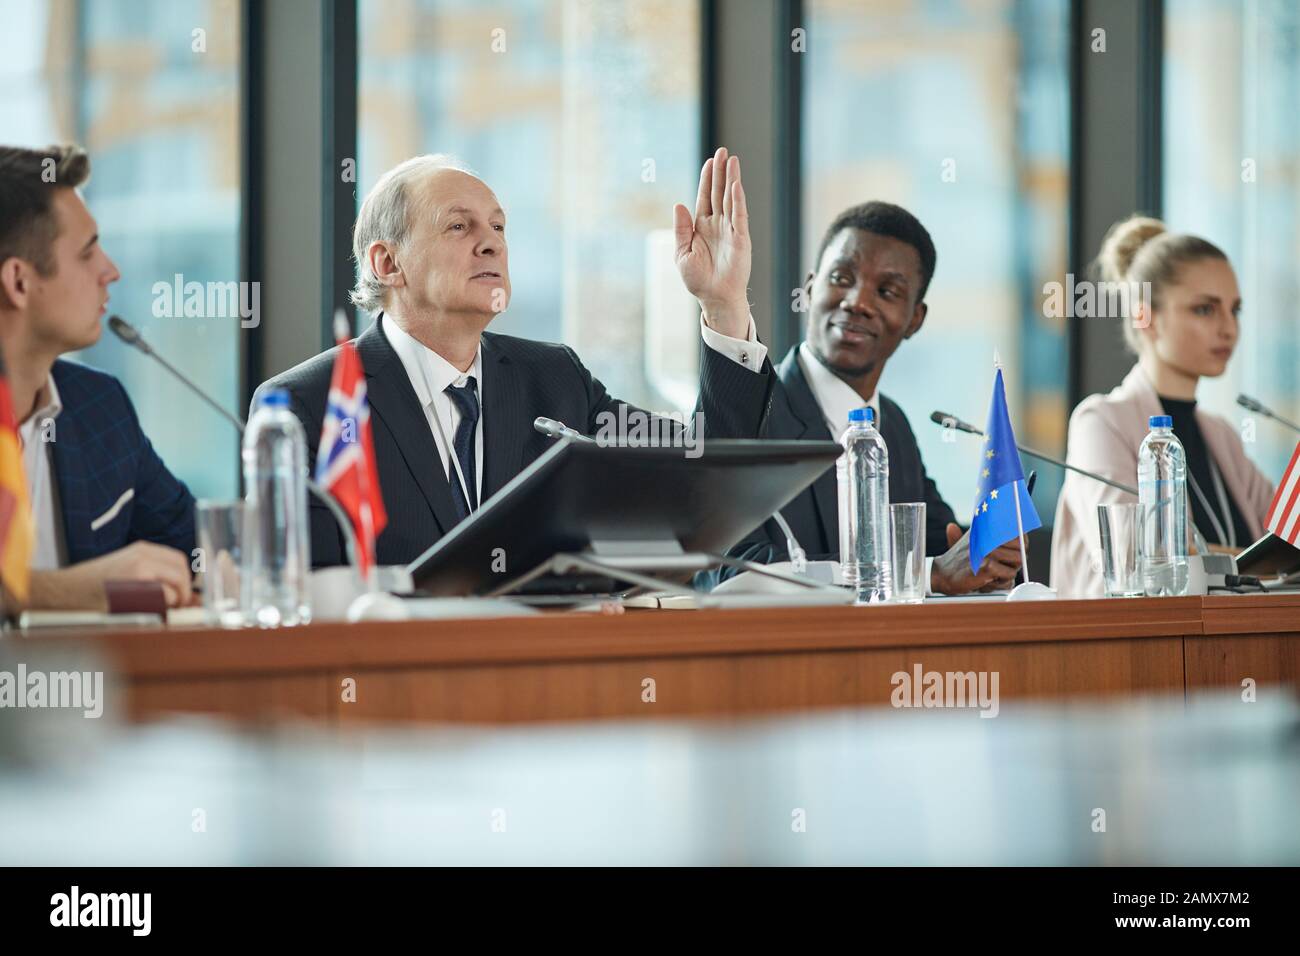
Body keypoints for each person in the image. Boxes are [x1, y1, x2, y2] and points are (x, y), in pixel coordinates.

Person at [256, 148, 774, 567]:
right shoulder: (311, 405)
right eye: (460, 227)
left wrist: (722, 303)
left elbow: (702, 474)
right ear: (388, 262)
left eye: (499, 227)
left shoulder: (554, 380)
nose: (492, 246)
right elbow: (308, 591)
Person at [701, 200, 1023, 594]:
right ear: (809, 288)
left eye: (887, 291)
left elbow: (942, 543)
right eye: (841, 277)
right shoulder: (746, 411)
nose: (858, 302)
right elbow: (727, 570)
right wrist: (927, 573)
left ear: (914, 319)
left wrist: (987, 553)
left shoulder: (893, 424)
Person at [0, 144, 197, 610]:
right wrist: (75, 591)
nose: (111, 270)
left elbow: (191, 547)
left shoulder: (99, 406)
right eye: (88, 253)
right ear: (19, 282)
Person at [1051, 216, 1274, 598]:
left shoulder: (1221, 435)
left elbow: (1285, 545)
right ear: (1147, 316)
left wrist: (1256, 564)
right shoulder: (1100, 422)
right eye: (1205, 310)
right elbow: (1136, 558)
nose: (1228, 329)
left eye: (1234, 310)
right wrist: (1253, 566)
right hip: (1133, 649)